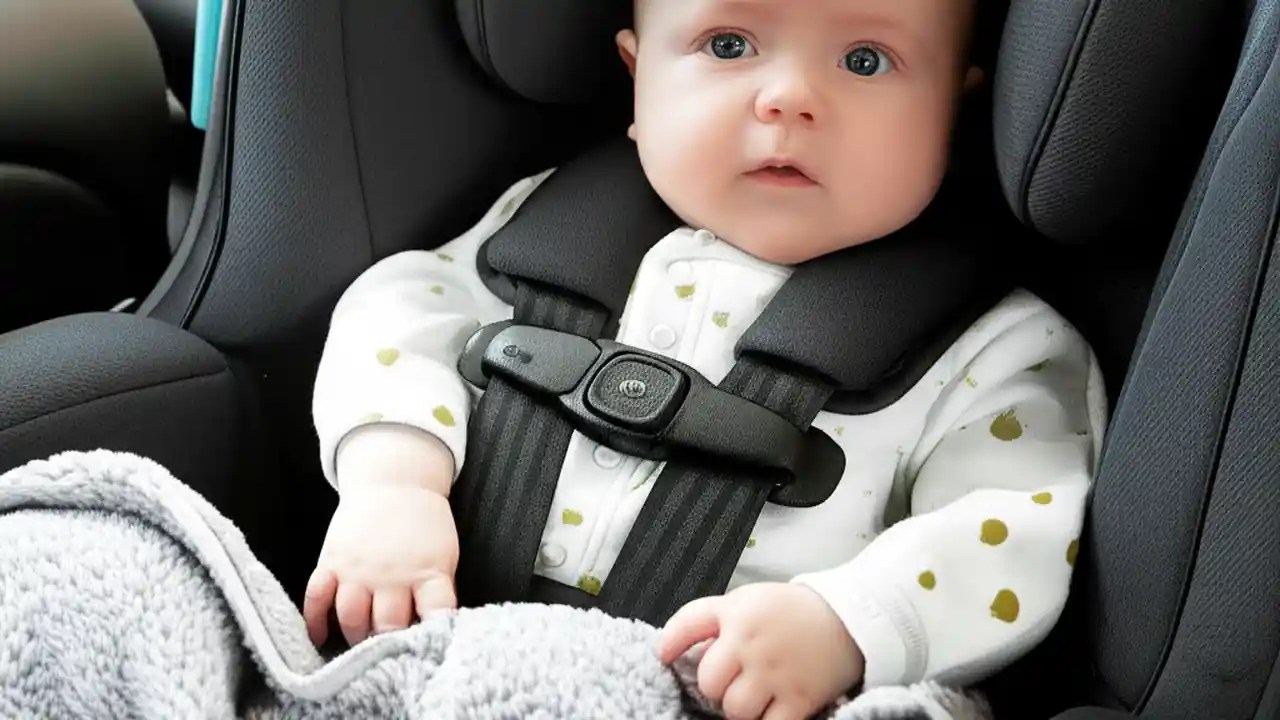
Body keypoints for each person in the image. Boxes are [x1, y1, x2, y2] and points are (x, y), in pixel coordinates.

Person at [304, 1, 1108, 718]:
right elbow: (403, 315)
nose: (789, 96)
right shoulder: (548, 230)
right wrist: (395, 482)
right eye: (728, 44)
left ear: (949, 114)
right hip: (440, 650)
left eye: (866, 59)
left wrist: (847, 624)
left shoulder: (996, 348)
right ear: (638, 79)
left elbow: (1011, 526)